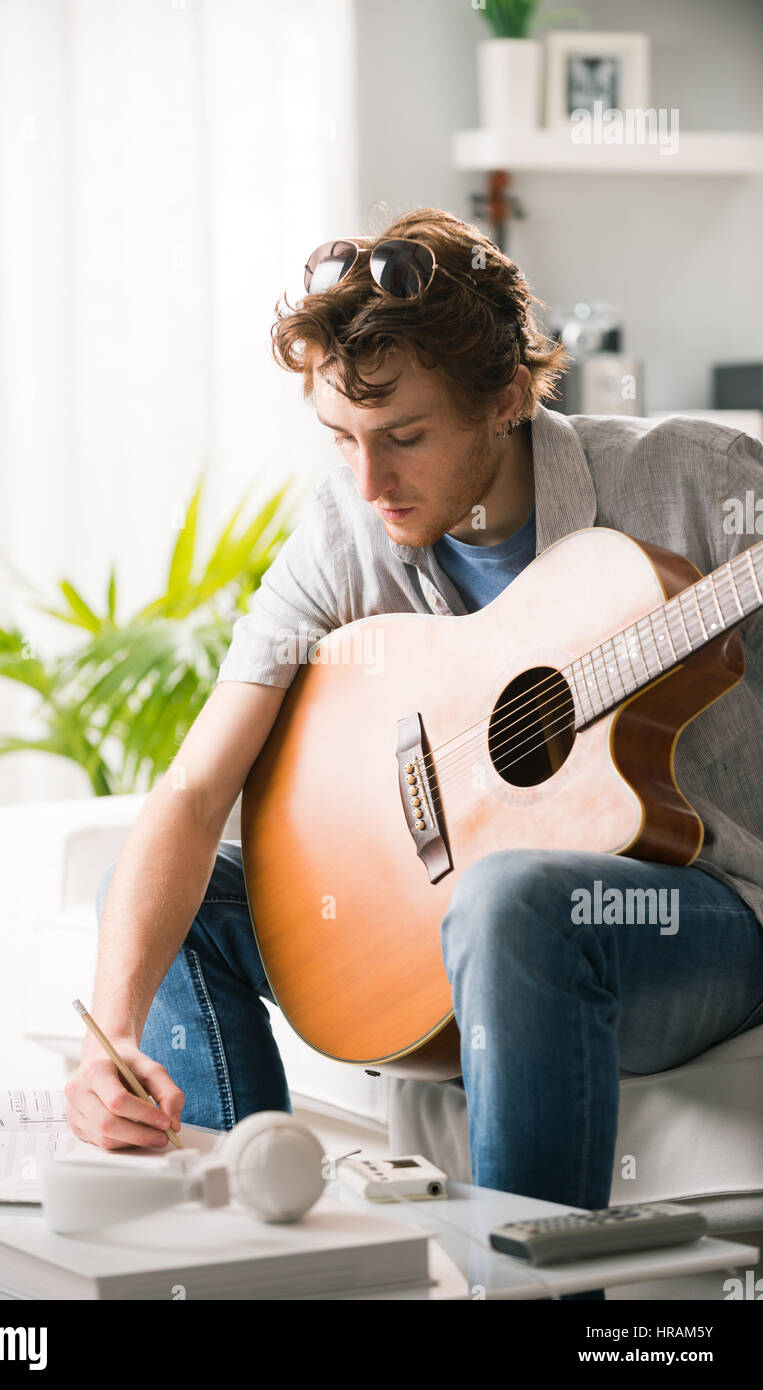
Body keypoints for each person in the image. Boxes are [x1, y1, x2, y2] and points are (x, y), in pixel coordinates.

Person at [65, 208, 763, 1299]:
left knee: (513, 894)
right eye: (341, 438)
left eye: (405, 436)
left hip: (708, 913)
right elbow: (197, 788)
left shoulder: (693, 483)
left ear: (507, 397)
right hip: (481, 916)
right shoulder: (345, 535)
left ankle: (519, 1294)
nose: (369, 483)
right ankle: (256, 1270)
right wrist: (109, 1041)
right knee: (164, 897)